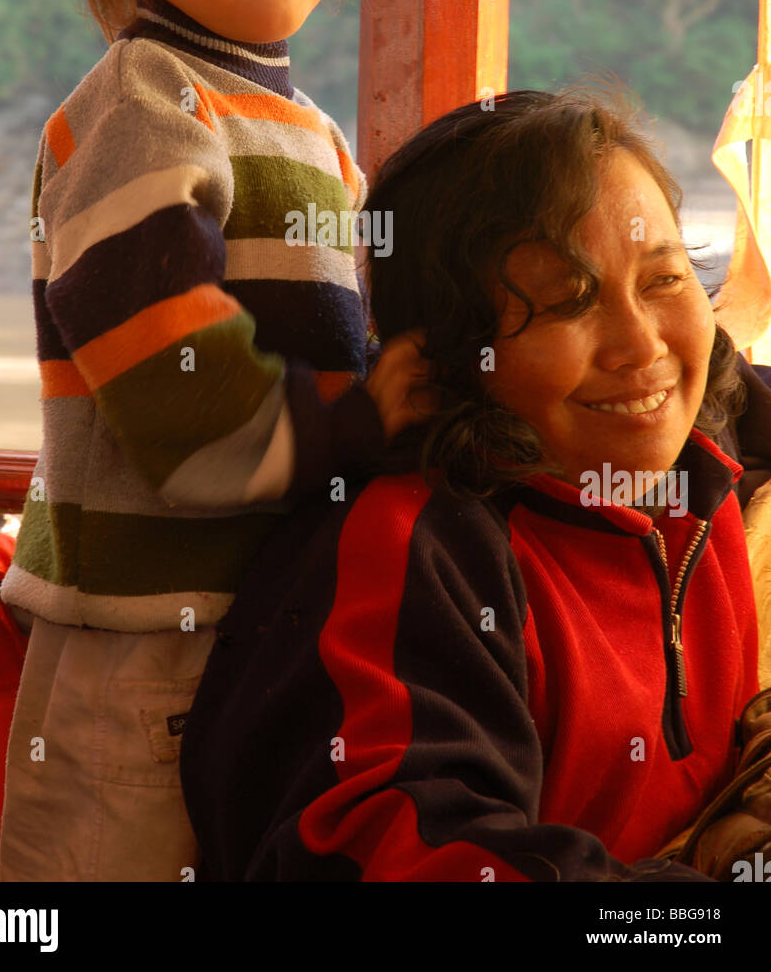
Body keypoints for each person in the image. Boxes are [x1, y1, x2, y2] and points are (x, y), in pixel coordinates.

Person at [0, 0, 432, 882]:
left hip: (254, 635)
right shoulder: (146, 109)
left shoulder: (313, 136)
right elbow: (177, 390)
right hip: (139, 662)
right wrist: (363, 420)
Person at [179, 86, 771, 882]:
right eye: (569, 303)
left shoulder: (703, 448)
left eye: (664, 281)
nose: (643, 347)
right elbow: (390, 849)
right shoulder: (423, 550)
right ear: (446, 362)